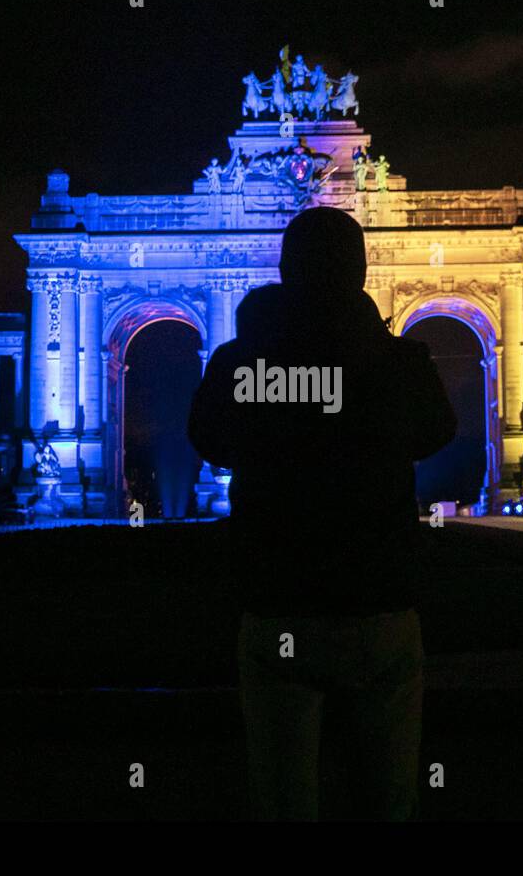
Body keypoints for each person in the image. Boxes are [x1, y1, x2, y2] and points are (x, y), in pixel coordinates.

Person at [188, 207, 456, 820]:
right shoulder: (401, 363)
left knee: (284, 805)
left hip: (278, 604)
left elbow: (208, 438)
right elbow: (434, 430)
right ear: (362, 274)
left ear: (284, 273)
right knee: (388, 802)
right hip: (378, 603)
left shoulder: (240, 363)